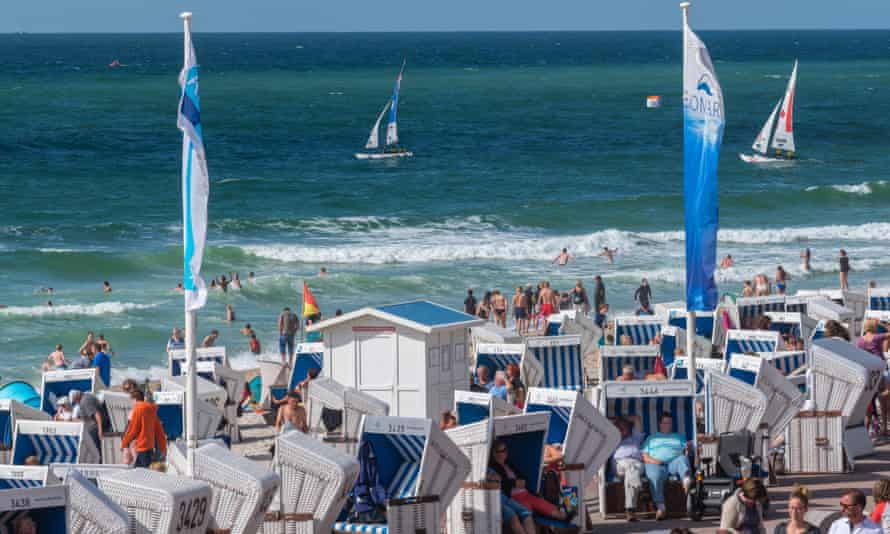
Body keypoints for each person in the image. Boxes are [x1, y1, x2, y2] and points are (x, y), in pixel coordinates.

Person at [489, 439, 571, 523]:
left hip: (527, 494)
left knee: (559, 514)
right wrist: (514, 483)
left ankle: (565, 523)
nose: (505, 452)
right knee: (529, 519)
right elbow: (499, 484)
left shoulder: (509, 464)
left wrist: (520, 482)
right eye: (501, 451)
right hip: (514, 499)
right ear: (495, 454)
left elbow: (522, 477)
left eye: (505, 449)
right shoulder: (493, 468)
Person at [641, 413, 692, 520]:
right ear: (660, 424)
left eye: (669, 423)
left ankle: (686, 480)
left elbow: (686, 453)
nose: (667, 425)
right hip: (656, 463)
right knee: (653, 474)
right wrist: (655, 461)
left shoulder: (679, 437)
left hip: (673, 463)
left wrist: (689, 448)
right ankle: (661, 508)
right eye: (665, 422)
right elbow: (644, 456)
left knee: (682, 459)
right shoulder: (651, 438)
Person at [120, 388, 167, 468]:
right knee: (145, 472)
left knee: (142, 474)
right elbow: (160, 431)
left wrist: (124, 444)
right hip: (150, 448)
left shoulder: (137, 409)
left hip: (141, 447)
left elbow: (132, 429)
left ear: (134, 399)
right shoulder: (152, 411)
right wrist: (163, 448)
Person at [612, 417, 645, 521]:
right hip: (620, 464)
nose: (622, 430)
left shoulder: (635, 438)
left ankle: (630, 510)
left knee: (632, 470)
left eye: (624, 427)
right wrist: (615, 420)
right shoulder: (613, 440)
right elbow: (604, 421)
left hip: (637, 465)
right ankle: (639, 488)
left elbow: (637, 419)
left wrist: (623, 416)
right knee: (630, 467)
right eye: (619, 428)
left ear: (629, 428)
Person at [485, 469, 535, 534]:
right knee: (512, 516)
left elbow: (499, 484)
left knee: (526, 513)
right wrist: (491, 482)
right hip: (490, 500)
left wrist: (491, 482)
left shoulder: (489, 469)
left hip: (503, 497)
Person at [77, 392, 104, 456]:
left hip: (94, 428)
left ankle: (100, 463)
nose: (77, 403)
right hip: (93, 427)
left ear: (77, 398)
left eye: (76, 401)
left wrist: (100, 430)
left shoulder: (85, 401)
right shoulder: (88, 396)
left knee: (98, 450)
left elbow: (97, 414)